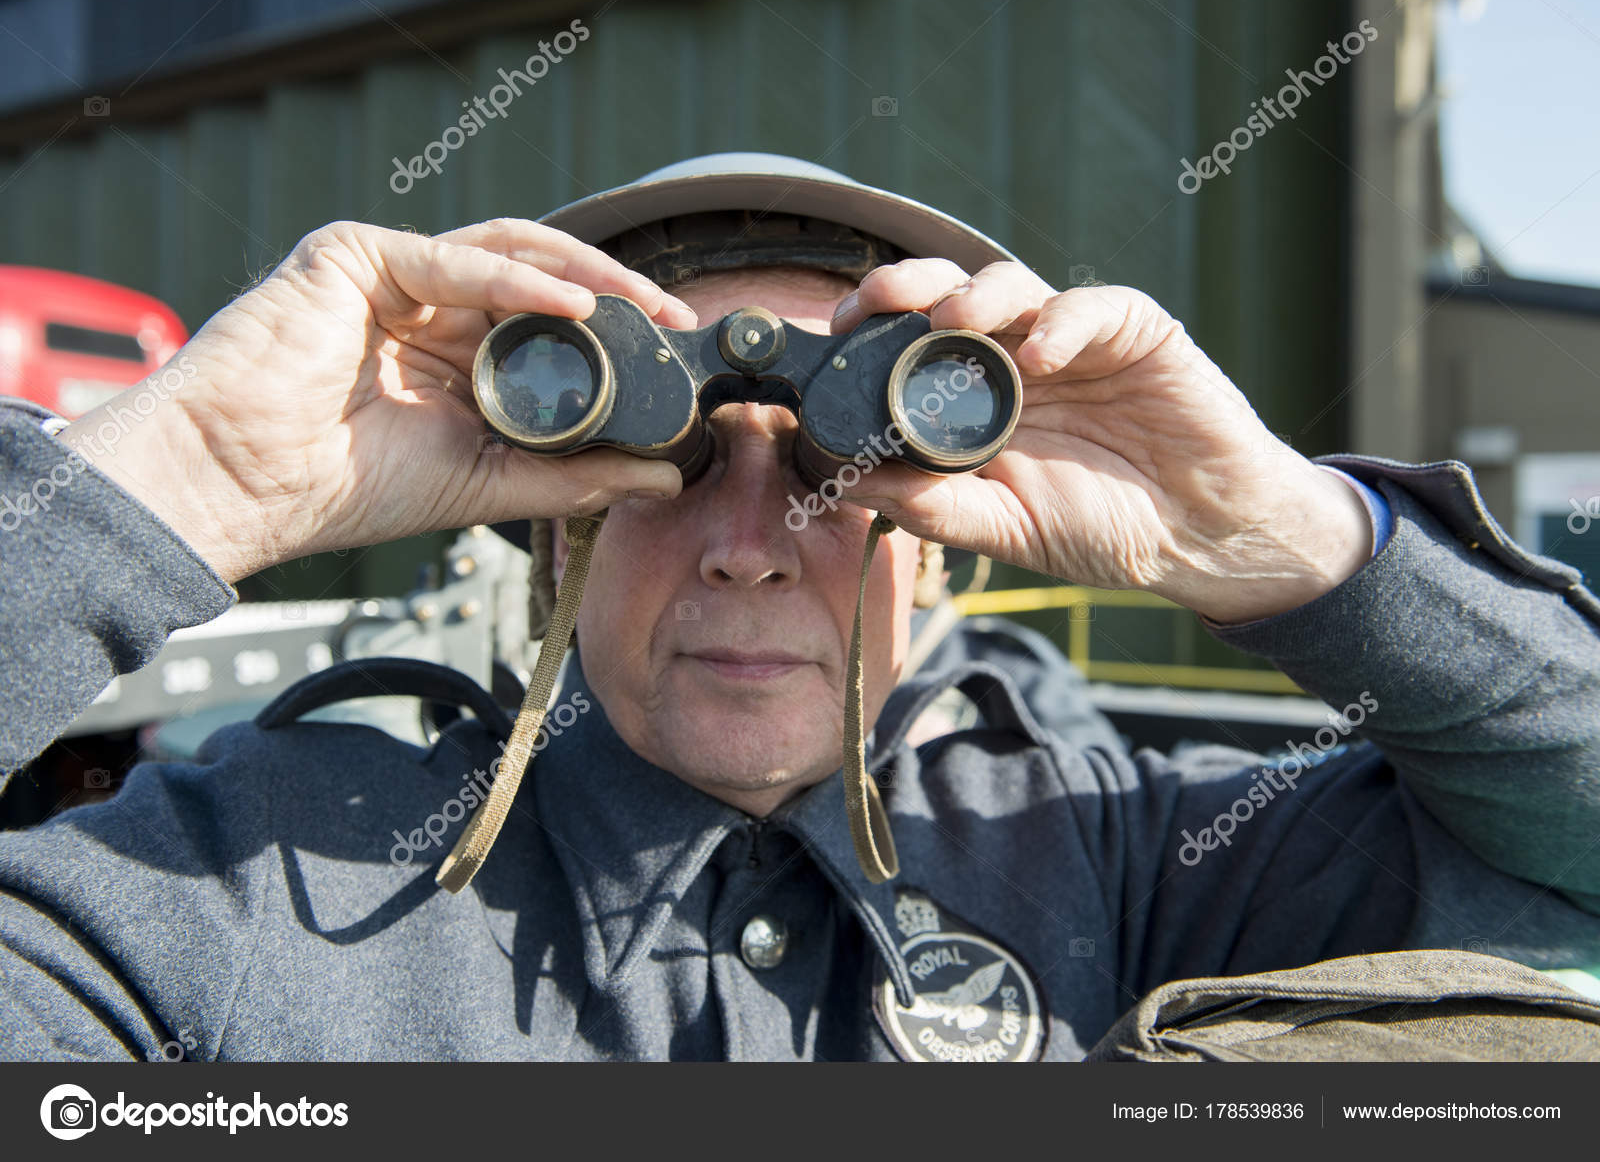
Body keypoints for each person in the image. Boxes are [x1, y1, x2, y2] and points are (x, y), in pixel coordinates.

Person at [1, 153, 1597, 1063]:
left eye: (846, 473)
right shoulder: (247, 892)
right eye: (673, 455)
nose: (751, 546)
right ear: (550, 525)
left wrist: (1283, 535)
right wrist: (185, 473)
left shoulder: (1125, 860)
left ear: (950, 537)